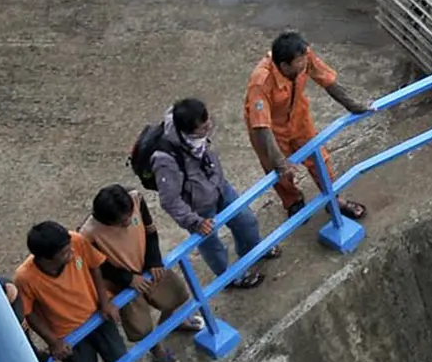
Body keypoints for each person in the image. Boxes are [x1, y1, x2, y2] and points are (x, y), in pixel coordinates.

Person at [245, 33, 373, 221]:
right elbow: (262, 126)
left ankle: (334, 198)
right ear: (284, 66)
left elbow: (327, 80)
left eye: (305, 59)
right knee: (280, 172)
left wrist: (354, 105)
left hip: (299, 118)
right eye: (300, 63)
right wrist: (280, 162)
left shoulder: (303, 55)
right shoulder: (261, 82)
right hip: (270, 131)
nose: (305, 64)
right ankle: (293, 201)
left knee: (320, 158)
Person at [148, 97, 272, 289]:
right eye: (203, 128)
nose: (209, 127)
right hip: (197, 207)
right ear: (187, 131)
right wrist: (194, 222)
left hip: (219, 186)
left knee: (246, 220)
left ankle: (253, 251)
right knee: (212, 245)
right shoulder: (165, 161)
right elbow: (169, 200)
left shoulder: (195, 136)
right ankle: (230, 278)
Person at [12, 223, 141, 362]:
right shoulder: (24, 278)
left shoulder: (76, 241)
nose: (72, 252)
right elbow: (29, 313)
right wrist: (53, 341)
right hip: (67, 334)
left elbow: (94, 266)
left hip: (97, 316)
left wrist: (105, 303)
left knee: (117, 355)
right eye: (65, 253)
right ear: (46, 259)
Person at [80, 185, 195, 362]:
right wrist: (127, 279)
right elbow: (97, 266)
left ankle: (171, 323)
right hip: (121, 284)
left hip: (147, 267)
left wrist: (154, 260)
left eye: (128, 216)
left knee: (177, 296)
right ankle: (157, 349)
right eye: (121, 221)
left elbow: (150, 231)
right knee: (141, 327)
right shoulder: (88, 234)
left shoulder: (136, 199)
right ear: (107, 220)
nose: (127, 221)